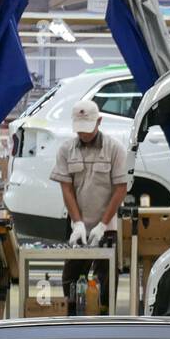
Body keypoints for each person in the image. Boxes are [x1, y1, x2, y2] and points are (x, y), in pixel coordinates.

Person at [51, 99, 129, 313]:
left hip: (107, 226)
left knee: (106, 283)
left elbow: (120, 189)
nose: (83, 134)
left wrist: (103, 225)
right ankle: (72, 323)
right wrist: (77, 223)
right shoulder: (66, 149)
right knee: (71, 279)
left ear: (99, 121)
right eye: (79, 130)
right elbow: (66, 188)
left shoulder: (115, 149)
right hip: (78, 226)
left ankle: (104, 324)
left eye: (88, 129)